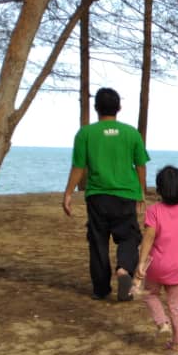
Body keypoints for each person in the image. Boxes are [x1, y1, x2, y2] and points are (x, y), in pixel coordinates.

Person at [62, 87, 149, 301]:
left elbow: (78, 167)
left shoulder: (85, 133)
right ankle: (124, 269)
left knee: (98, 240)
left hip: (97, 196)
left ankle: (100, 289)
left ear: (96, 108)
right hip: (125, 194)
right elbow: (140, 166)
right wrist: (141, 192)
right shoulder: (131, 133)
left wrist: (68, 193)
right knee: (129, 236)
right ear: (119, 108)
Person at [133, 166, 178, 355]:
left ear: (160, 189)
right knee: (177, 305)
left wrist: (141, 263)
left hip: (156, 265)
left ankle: (161, 322)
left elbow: (148, 238)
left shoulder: (154, 211)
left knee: (150, 295)